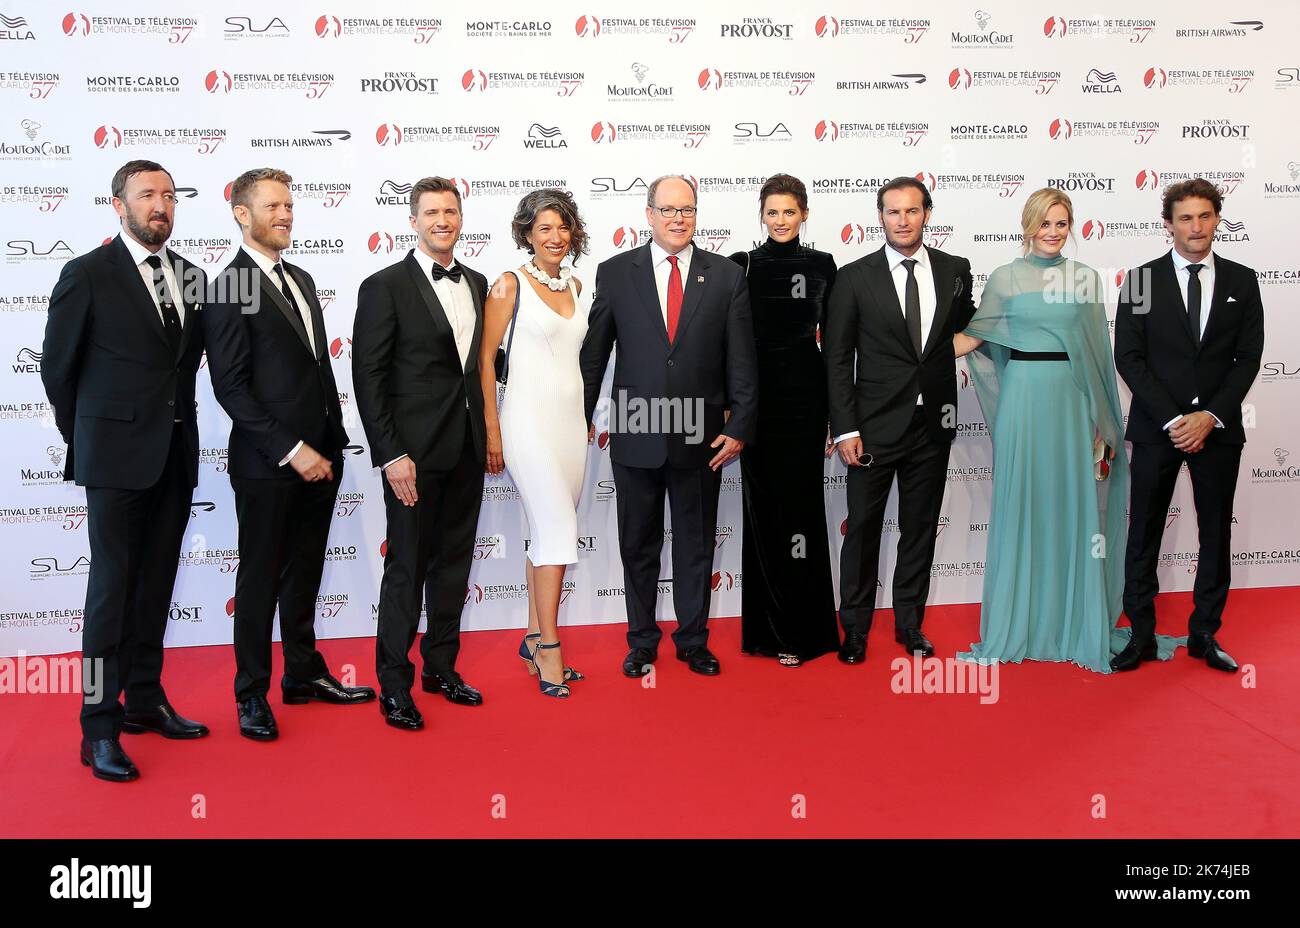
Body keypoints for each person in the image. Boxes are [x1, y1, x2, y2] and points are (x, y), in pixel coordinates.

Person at [42, 160, 209, 781]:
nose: (159, 205)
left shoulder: (192, 277)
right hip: (114, 462)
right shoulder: (86, 273)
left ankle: (144, 699)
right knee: (109, 593)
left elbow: (184, 368)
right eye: (146, 195)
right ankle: (97, 726)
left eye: (168, 195)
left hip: (174, 457)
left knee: (156, 585)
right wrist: (90, 441)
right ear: (119, 205)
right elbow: (58, 372)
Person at [204, 168, 374, 741]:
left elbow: (316, 370)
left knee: (305, 571)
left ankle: (302, 674)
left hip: (323, 459)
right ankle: (251, 694)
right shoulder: (230, 285)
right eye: (273, 206)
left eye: (290, 206)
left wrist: (331, 440)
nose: (286, 215)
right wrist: (291, 449)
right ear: (241, 213)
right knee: (259, 579)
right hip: (268, 463)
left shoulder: (299, 277)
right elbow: (229, 385)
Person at [579, 175, 759, 678]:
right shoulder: (615, 273)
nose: (678, 219)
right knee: (638, 543)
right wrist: (581, 417)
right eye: (669, 209)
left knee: (697, 544)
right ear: (649, 214)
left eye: (688, 210)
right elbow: (595, 355)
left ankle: (693, 640)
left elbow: (741, 360)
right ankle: (640, 641)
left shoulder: (725, 276)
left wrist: (740, 424)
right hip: (636, 429)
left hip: (702, 436)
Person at [954, 187, 1136, 673]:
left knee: (1071, 507)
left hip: (1073, 398)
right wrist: (907, 350)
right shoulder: (1005, 278)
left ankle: (1074, 623)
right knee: (1023, 504)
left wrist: (1104, 420)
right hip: (1024, 396)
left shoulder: (1085, 279)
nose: (1053, 232)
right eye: (1044, 223)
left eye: (1061, 223)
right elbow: (976, 337)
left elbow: (1098, 352)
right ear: (1028, 225)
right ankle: (1020, 623)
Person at [353, 177, 490, 729]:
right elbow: (369, 376)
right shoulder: (383, 286)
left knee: (454, 565)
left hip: (466, 449)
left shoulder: (479, 282)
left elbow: (478, 368)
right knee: (406, 569)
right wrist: (390, 454)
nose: (442, 221)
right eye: (431, 212)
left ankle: (440, 667)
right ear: (413, 221)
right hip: (411, 455)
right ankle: (393, 683)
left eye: (451, 212)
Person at [1111, 178, 1264, 673]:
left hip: (1217, 430)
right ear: (1168, 224)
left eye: (1204, 216)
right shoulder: (1140, 280)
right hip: (1159, 428)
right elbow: (1128, 357)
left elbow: (1247, 359)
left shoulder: (1243, 280)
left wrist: (1209, 416)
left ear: (1217, 219)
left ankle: (1205, 634)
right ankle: (1140, 633)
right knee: (1144, 533)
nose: (1195, 227)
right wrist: (1177, 418)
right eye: (1185, 218)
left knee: (1215, 532)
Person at [823, 176, 977, 664]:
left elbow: (971, 324)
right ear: (881, 217)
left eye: (912, 211)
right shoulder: (854, 276)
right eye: (893, 212)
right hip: (870, 429)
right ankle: (855, 629)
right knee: (863, 529)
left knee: (920, 528)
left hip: (933, 425)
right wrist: (845, 427)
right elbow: (837, 357)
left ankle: (910, 625)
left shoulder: (956, 269)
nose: (903, 220)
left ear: (927, 214)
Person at [480, 189, 591, 698]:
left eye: (562, 227)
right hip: (524, 425)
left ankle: (530, 634)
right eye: (544, 227)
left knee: (545, 536)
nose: (555, 236)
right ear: (526, 232)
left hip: (571, 428)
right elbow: (484, 362)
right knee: (555, 530)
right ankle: (550, 647)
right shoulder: (509, 285)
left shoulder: (577, 284)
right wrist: (492, 429)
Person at [727, 174, 839, 667]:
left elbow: (835, 346)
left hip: (807, 400)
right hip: (758, 403)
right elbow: (729, 343)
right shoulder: (741, 265)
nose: (780, 221)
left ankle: (806, 630)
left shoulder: (823, 265)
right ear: (761, 215)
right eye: (772, 212)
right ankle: (767, 631)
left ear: (804, 214)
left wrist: (839, 415)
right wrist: (733, 405)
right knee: (763, 512)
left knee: (803, 512)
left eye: (789, 212)